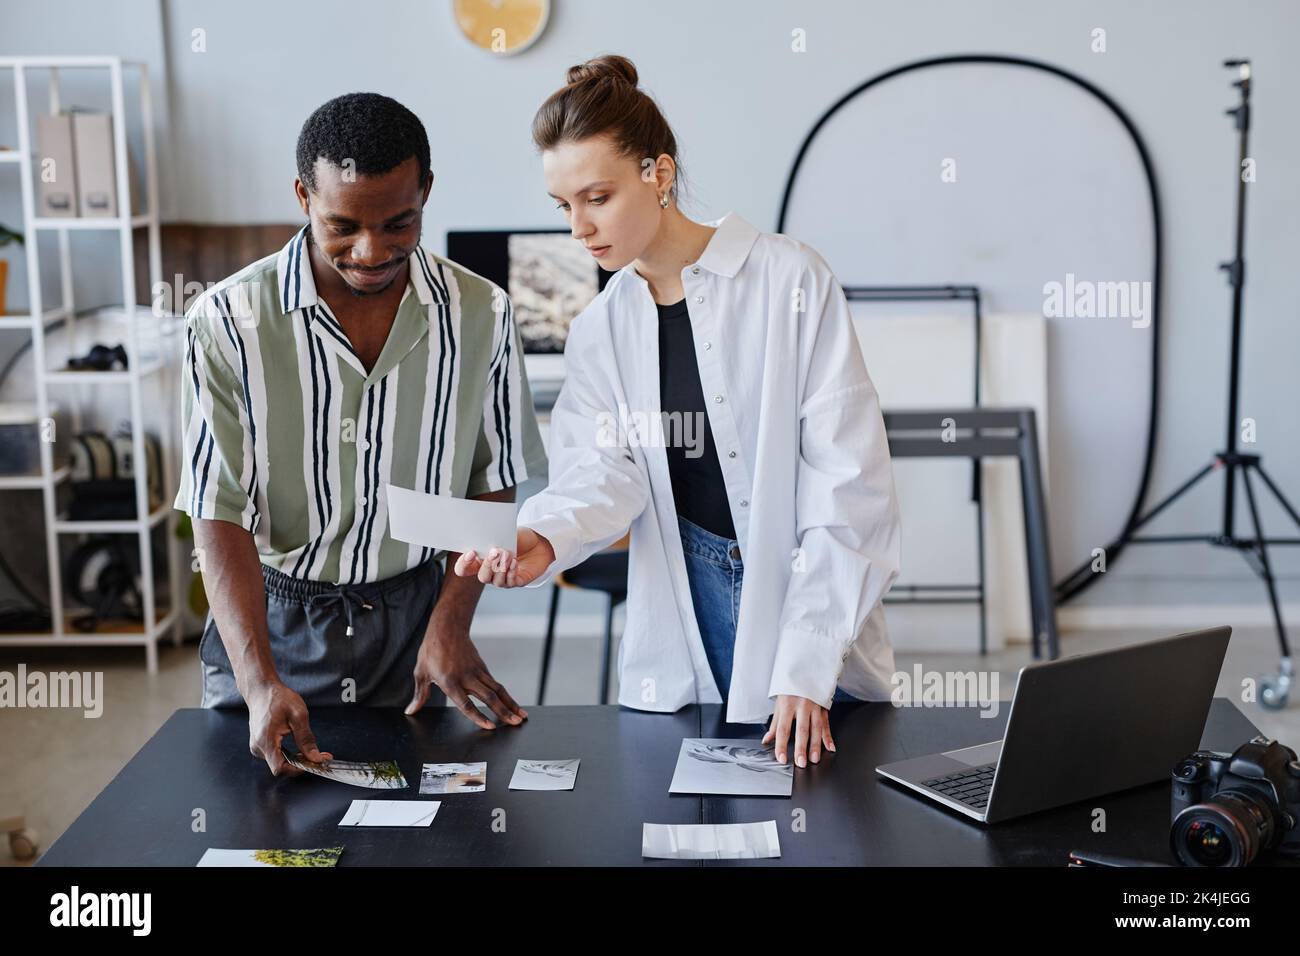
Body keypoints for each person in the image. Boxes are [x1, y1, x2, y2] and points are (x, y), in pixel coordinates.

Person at [458, 56, 901, 769]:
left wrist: (806, 659)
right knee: (708, 817)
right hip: (688, 598)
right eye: (562, 205)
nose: (578, 227)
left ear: (657, 174)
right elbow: (604, 472)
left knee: (826, 821)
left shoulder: (790, 279)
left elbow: (851, 490)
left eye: (596, 197)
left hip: (801, 595)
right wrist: (542, 536)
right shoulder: (602, 328)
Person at [175, 93, 547, 777]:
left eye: (399, 222)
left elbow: (491, 481)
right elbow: (217, 507)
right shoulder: (227, 321)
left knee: (418, 828)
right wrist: (257, 680)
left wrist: (450, 623)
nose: (372, 251)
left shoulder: (481, 312)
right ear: (302, 196)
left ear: (426, 192)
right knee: (265, 831)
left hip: (414, 615)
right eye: (341, 225)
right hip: (275, 621)